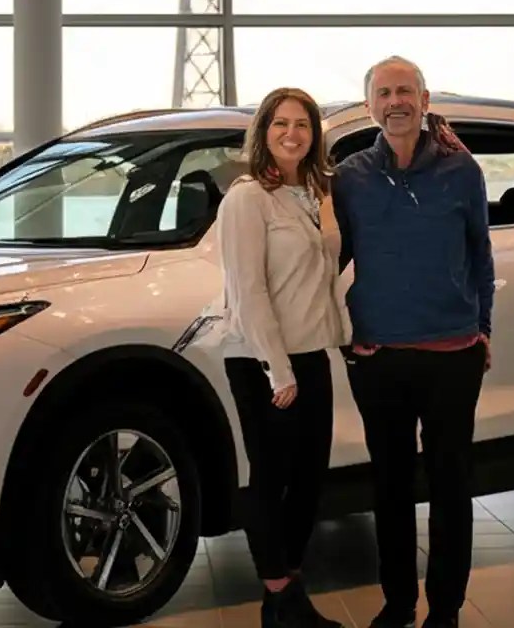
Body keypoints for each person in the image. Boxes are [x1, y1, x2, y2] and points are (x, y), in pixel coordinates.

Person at [330, 56, 495, 628]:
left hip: (453, 355)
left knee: (452, 489)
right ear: (369, 104)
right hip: (380, 359)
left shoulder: (462, 171)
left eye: (406, 91)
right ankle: (398, 603)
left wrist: (485, 329)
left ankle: (445, 609)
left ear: (424, 101)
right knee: (390, 490)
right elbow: (329, 261)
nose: (395, 101)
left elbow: (480, 254)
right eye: (384, 92)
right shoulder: (348, 177)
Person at [217, 86, 352, 628]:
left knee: (312, 478)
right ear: (263, 133)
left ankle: (285, 596)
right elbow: (249, 290)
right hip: (260, 359)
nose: (292, 134)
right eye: (280, 125)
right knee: (271, 477)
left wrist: (343, 336)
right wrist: (278, 369)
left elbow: (322, 279)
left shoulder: (316, 192)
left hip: (311, 352)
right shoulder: (248, 198)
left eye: (302, 125)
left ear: (314, 135)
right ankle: (282, 594)